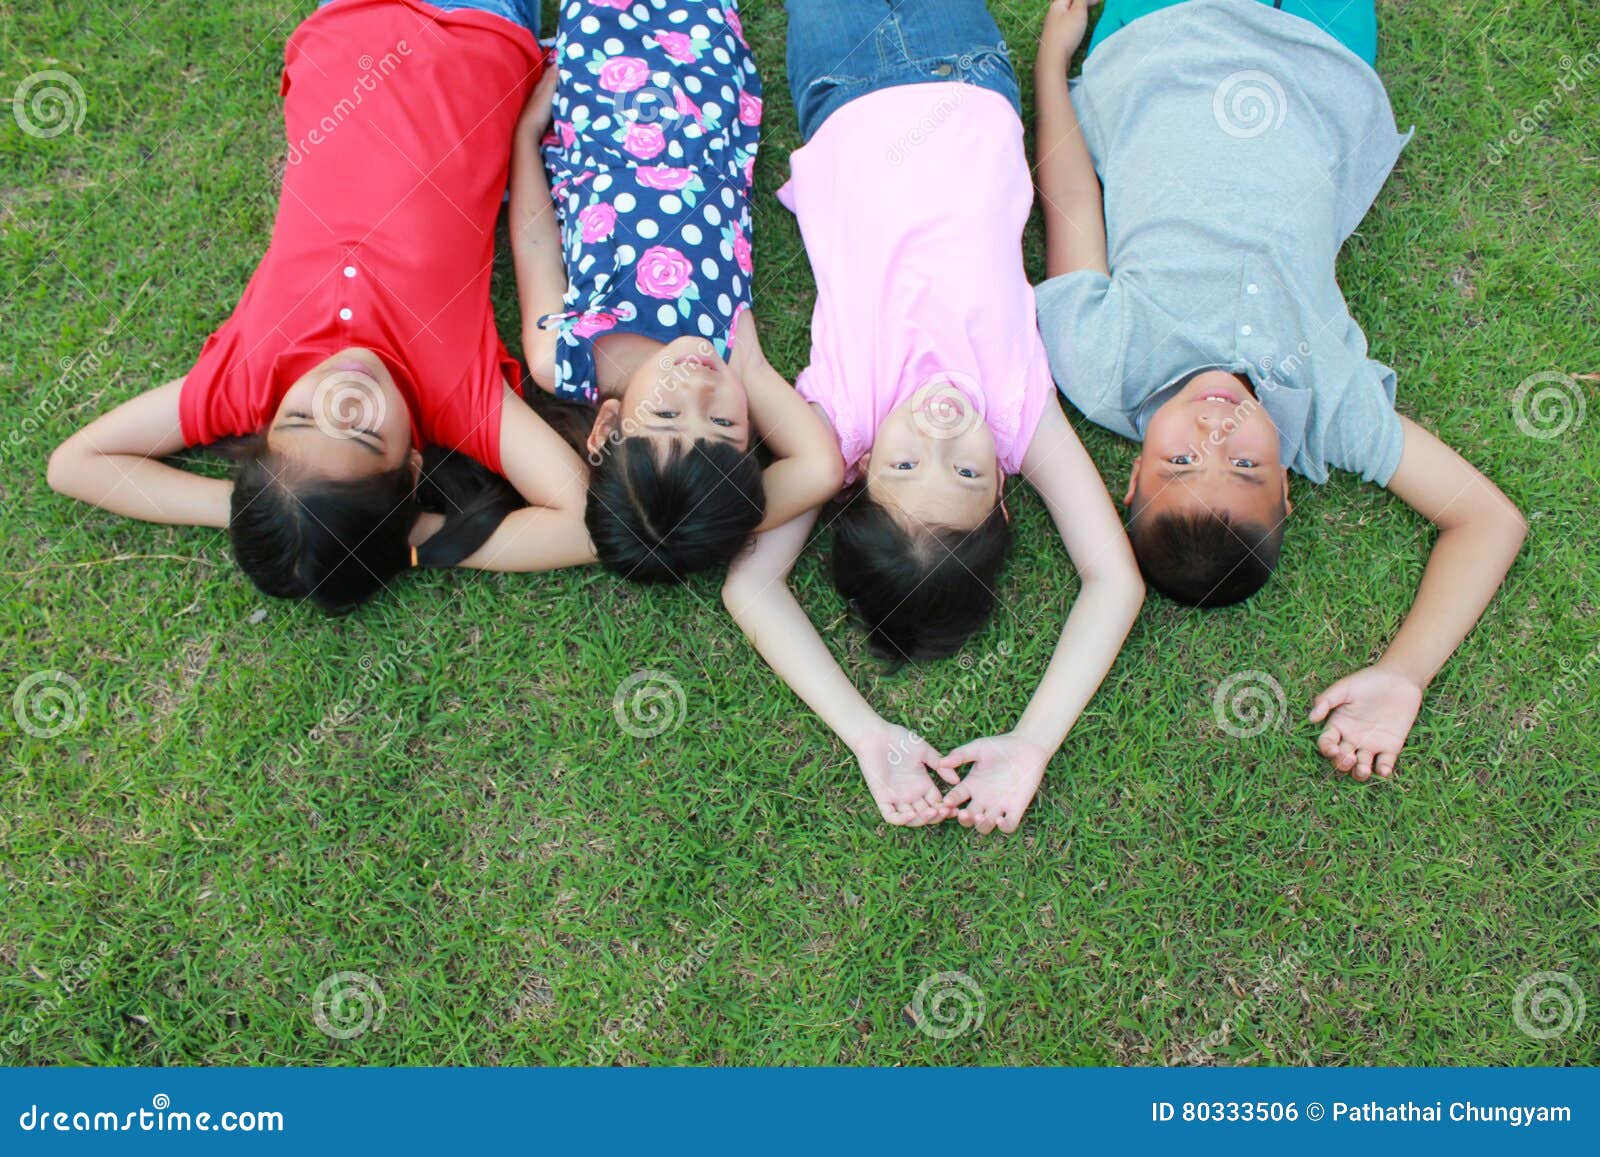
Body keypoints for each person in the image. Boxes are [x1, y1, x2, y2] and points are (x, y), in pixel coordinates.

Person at [1032, 0, 1527, 780]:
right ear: (1288, 487)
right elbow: (1487, 519)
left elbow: (1071, 194)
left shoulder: (1101, 365)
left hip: (1160, 38)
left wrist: (1052, 67)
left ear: (1132, 473)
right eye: (1249, 469)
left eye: (1182, 461)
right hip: (1319, 56)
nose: (1217, 434)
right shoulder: (1328, 410)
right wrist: (1405, 674)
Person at [722, 0, 1145, 835]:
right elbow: (1114, 580)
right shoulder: (1022, 412)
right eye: (966, 469)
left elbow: (751, 581)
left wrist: (865, 732)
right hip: (966, 71)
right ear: (1002, 495)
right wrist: (1030, 744)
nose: (941, 432)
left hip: (841, 82)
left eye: (905, 464)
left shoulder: (840, 419)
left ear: (855, 477)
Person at [47, 0, 596, 612]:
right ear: (412, 468)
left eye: (301, 419)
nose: (344, 391)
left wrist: (258, 510)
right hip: (475, 25)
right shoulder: (455, 399)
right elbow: (580, 519)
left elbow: (75, 463)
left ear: (266, 429)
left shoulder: (245, 380)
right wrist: (400, 537)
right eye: (363, 433)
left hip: (348, 21)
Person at [509, 0, 843, 582]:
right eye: (723, 427)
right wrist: (710, 518)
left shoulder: (564, 360)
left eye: (666, 412)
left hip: (600, 93)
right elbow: (818, 468)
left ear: (609, 427)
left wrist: (525, 134)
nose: (699, 388)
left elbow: (537, 244)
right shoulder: (734, 358)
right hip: (704, 92)